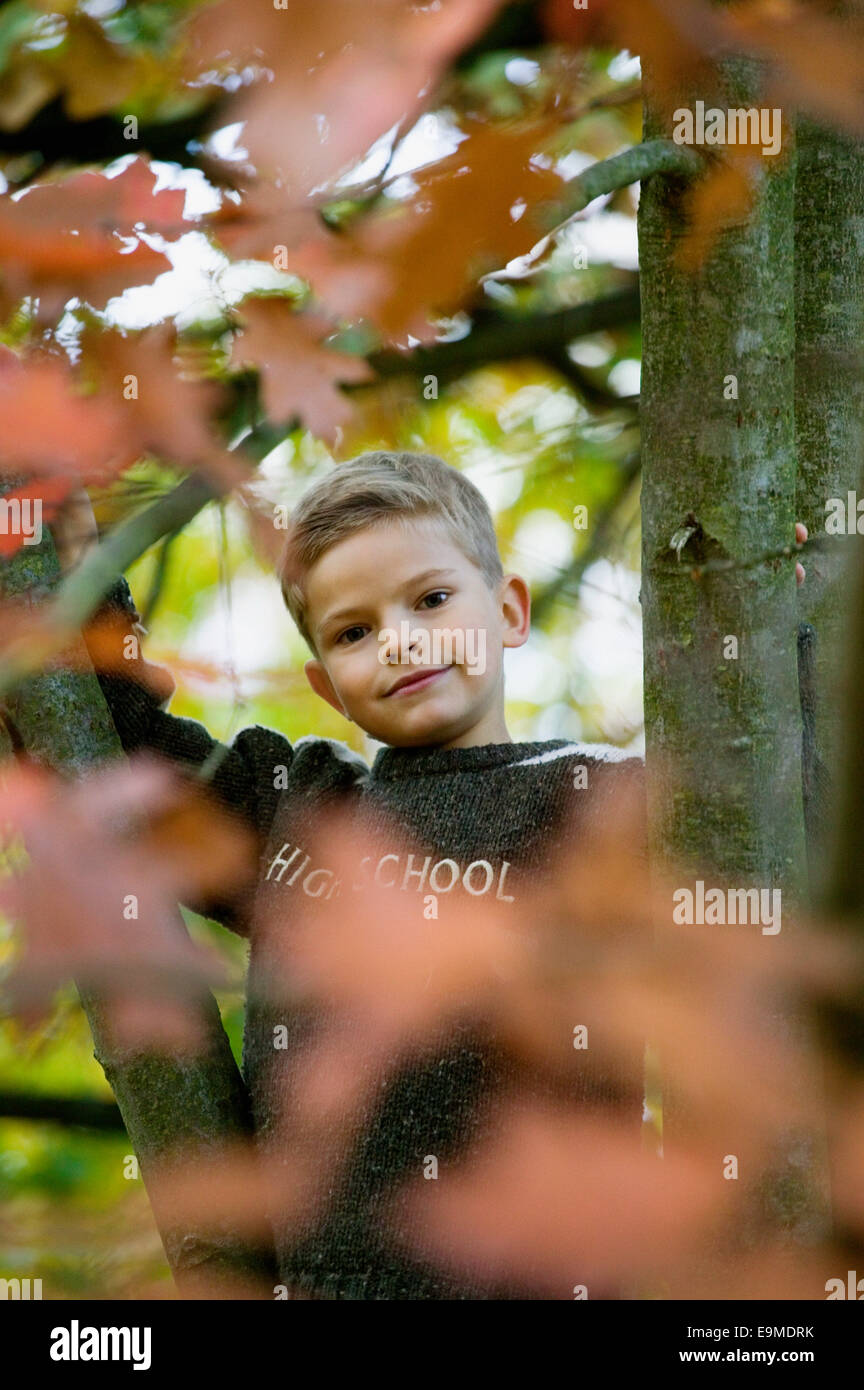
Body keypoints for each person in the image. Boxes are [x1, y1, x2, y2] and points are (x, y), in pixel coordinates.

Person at [55, 451, 807, 1299]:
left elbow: (788, 834)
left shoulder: (609, 800)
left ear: (510, 610)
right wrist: (71, 563)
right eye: (354, 632)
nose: (401, 640)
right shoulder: (300, 817)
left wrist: (785, 608)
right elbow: (112, 748)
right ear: (327, 686)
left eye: (432, 599)